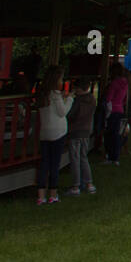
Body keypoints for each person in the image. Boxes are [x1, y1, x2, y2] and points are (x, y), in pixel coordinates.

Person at [36, 66, 73, 205]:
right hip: (58, 132)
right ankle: (53, 194)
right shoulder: (55, 95)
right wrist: (69, 99)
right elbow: (62, 112)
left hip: (45, 132)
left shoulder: (42, 94)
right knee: (54, 164)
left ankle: (41, 196)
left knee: (44, 164)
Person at [65, 78, 97, 196]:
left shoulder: (77, 101)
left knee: (75, 158)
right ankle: (89, 184)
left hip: (75, 131)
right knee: (83, 157)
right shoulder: (92, 99)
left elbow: (70, 114)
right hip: (86, 131)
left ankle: (76, 185)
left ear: (78, 88)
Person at [103, 63, 129, 166]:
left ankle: (110, 156)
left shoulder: (114, 83)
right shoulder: (125, 83)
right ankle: (116, 157)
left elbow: (109, 98)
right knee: (117, 135)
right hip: (120, 109)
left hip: (112, 111)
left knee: (109, 135)